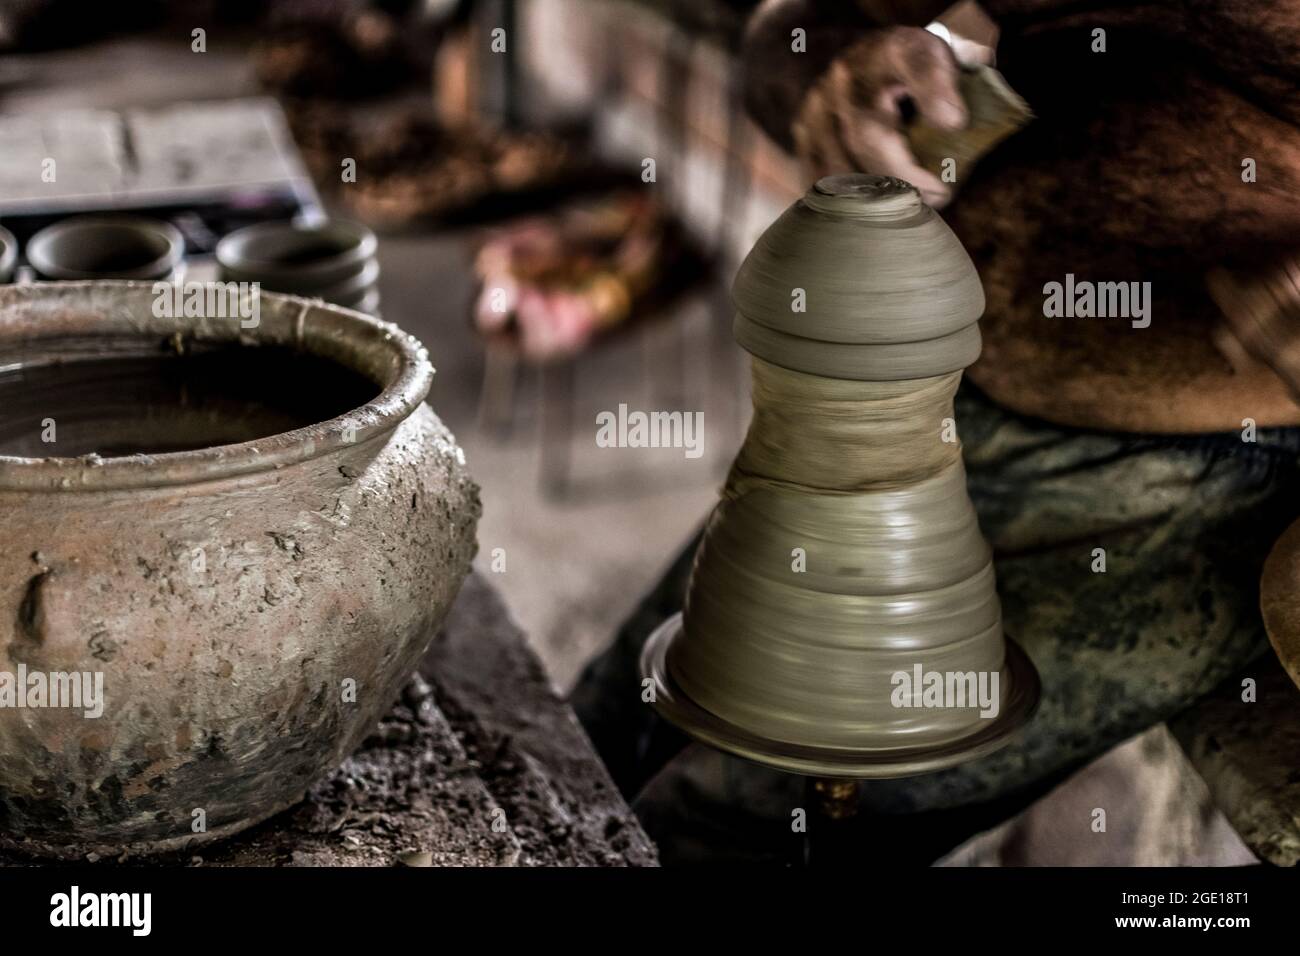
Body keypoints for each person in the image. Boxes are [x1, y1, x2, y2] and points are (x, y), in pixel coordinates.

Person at [572, 0, 1300, 863]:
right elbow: (792, 30)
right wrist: (830, 76)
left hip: (1194, 477)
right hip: (926, 392)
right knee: (613, 713)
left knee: (741, 824)